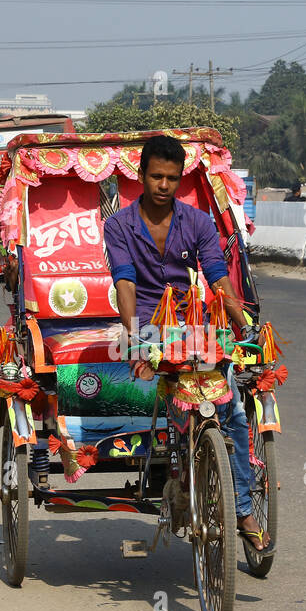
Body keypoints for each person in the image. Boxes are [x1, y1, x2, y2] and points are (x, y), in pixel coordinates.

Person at [103, 135, 267, 552]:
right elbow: (124, 280)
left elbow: (217, 276)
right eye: (156, 176)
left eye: (172, 178)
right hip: (148, 327)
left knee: (232, 409)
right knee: (160, 398)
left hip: (194, 325)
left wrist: (241, 324)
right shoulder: (118, 225)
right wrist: (134, 334)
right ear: (141, 176)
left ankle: (243, 508)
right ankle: (178, 475)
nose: (163, 185)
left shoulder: (197, 222)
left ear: (179, 181)